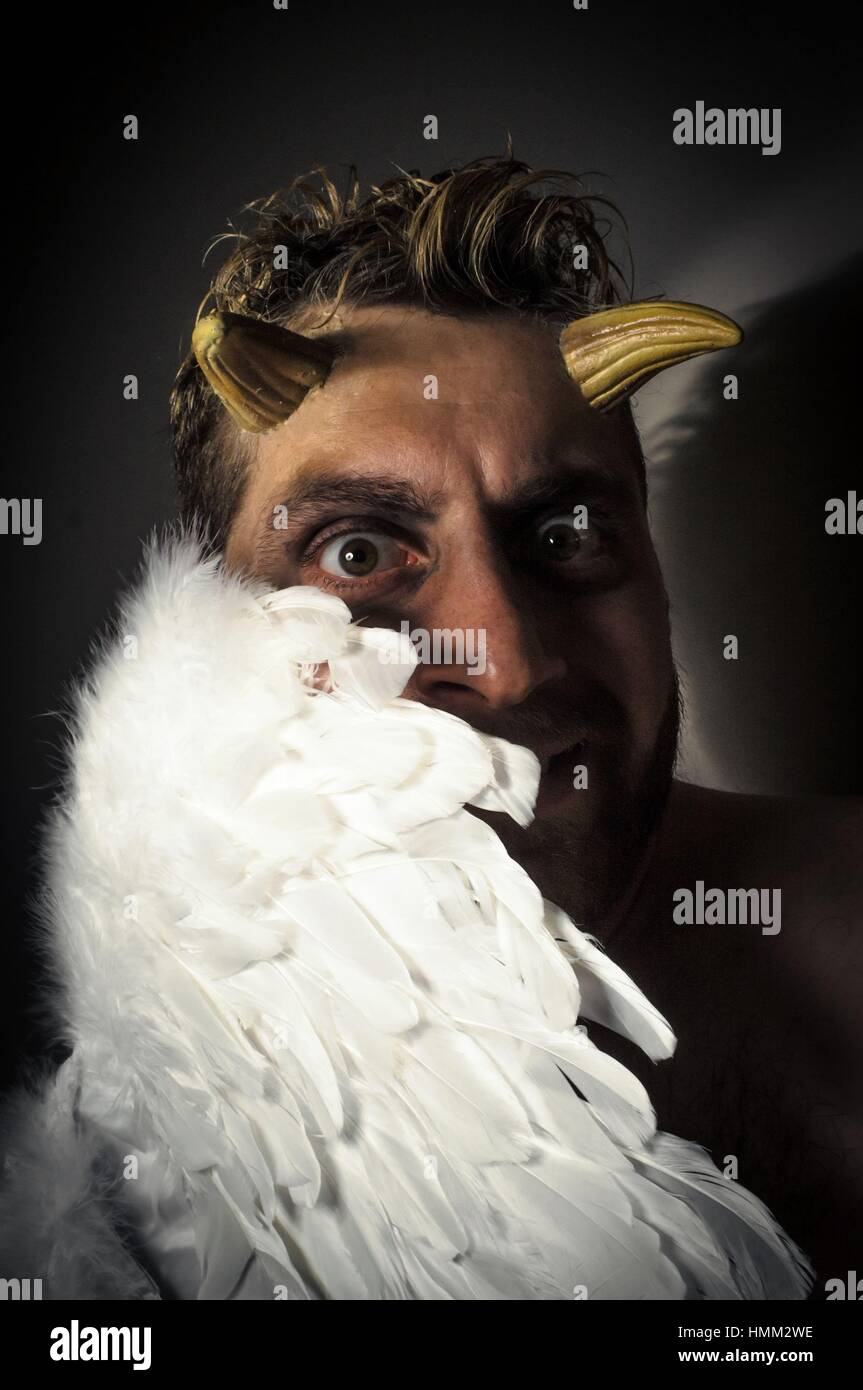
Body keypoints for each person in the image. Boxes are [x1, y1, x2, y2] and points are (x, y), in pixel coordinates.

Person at [171, 153, 862, 1285]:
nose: (502, 662)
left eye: (564, 534)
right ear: (201, 626)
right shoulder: (135, 1130)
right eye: (359, 552)